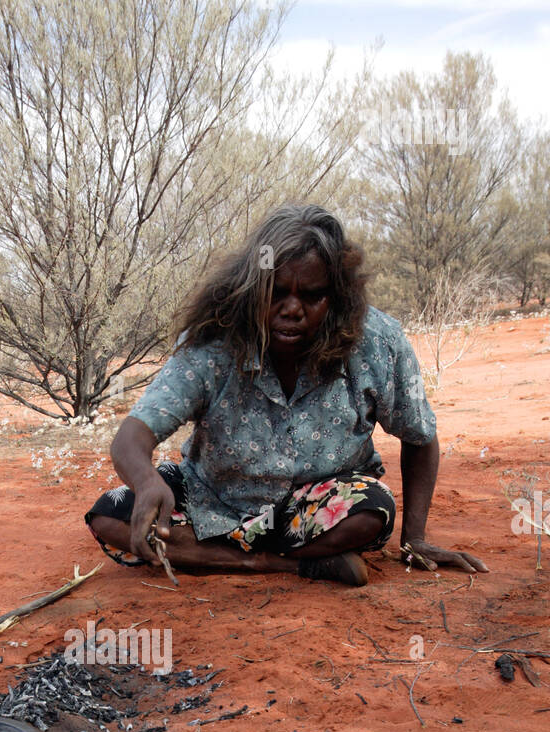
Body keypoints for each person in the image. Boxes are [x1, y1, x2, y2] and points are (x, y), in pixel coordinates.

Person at [85, 204, 487, 587]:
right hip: (212, 496)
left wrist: (414, 538)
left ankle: (211, 555)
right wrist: (147, 480)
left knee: (371, 512)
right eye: (276, 292)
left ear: (338, 297)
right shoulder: (214, 343)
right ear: (252, 287)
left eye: (312, 295)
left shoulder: (377, 342)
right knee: (110, 514)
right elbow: (131, 436)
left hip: (314, 507)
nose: (292, 309)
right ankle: (276, 563)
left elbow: (419, 436)